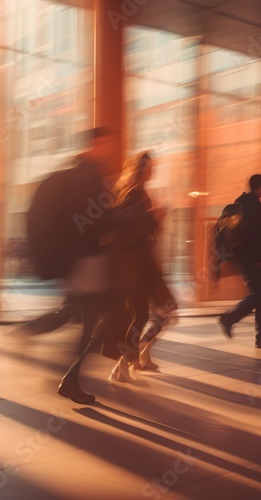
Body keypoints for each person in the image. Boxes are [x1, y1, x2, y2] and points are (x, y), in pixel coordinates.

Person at [55, 127, 126, 404]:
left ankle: (70, 378)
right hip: (88, 261)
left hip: (83, 260)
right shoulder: (88, 175)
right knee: (108, 317)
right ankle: (70, 378)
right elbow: (92, 217)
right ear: (96, 144)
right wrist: (116, 216)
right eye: (107, 143)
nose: (110, 148)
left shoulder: (84, 172)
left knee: (90, 320)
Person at [102, 151, 178, 381]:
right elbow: (128, 229)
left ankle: (138, 357)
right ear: (140, 169)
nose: (153, 171)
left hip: (143, 266)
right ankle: (125, 362)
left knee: (157, 311)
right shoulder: (131, 195)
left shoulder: (138, 194)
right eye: (150, 167)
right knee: (144, 314)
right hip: (135, 268)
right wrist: (154, 217)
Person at [217, 174, 261, 351]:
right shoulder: (254, 206)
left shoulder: (243, 204)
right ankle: (230, 318)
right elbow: (256, 237)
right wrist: (260, 259)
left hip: (248, 260)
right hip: (256, 260)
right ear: (260, 187)